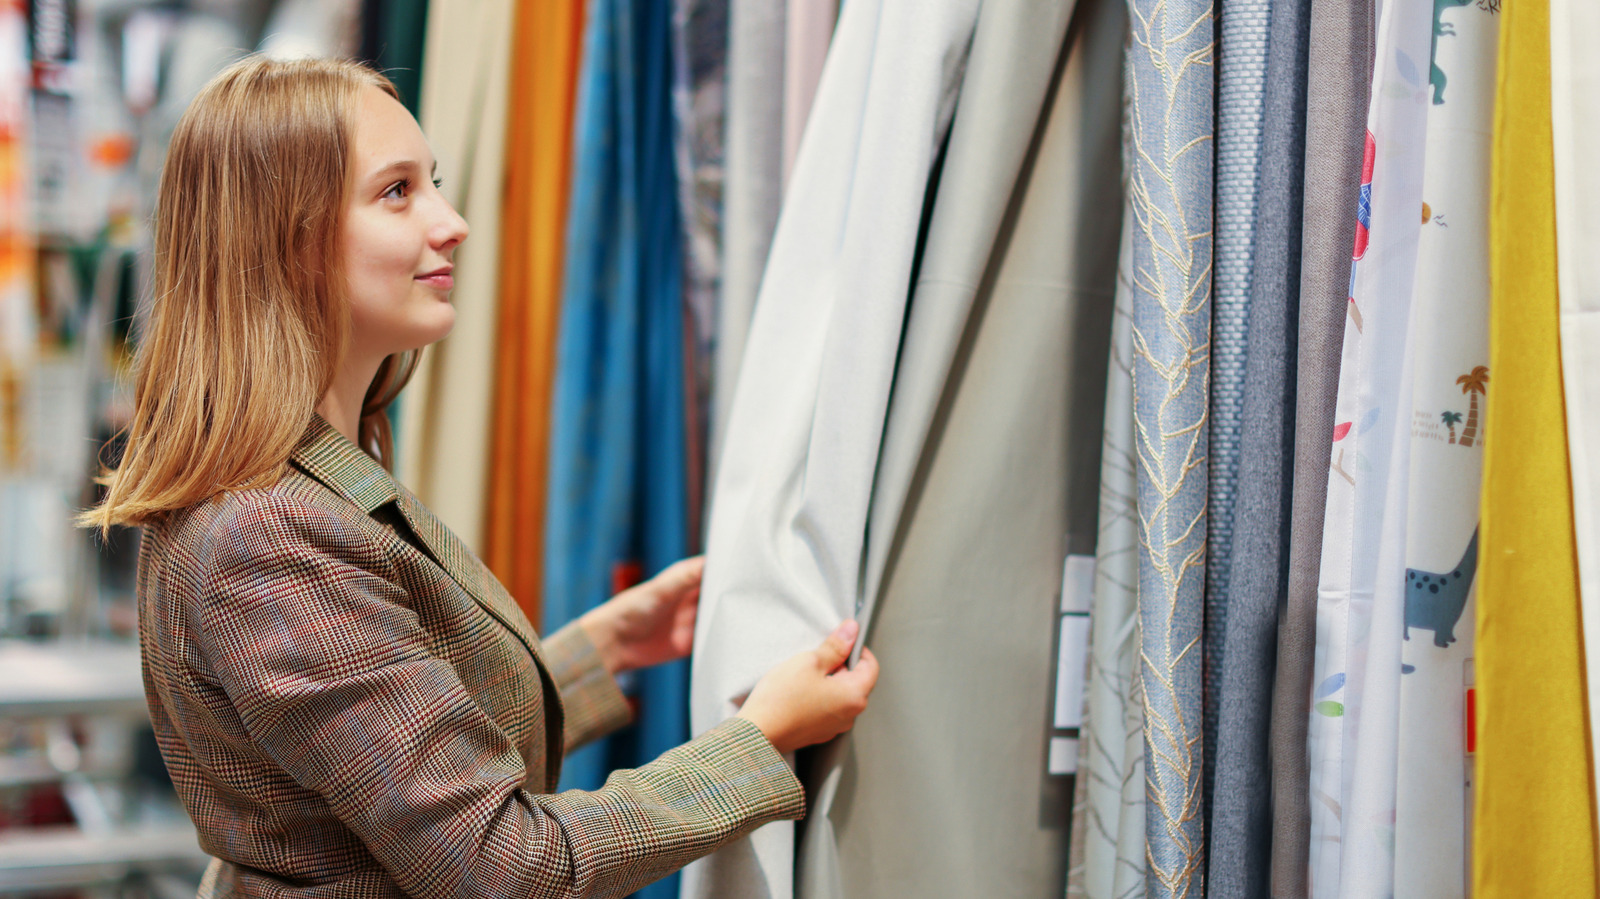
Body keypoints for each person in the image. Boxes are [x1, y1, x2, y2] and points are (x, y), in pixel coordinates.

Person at [81, 56, 880, 899]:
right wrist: (756, 741)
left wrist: (596, 652)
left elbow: (371, 759)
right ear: (288, 236)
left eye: (433, 182)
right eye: (397, 192)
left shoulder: (297, 482)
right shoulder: (268, 532)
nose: (452, 221)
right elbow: (504, 866)